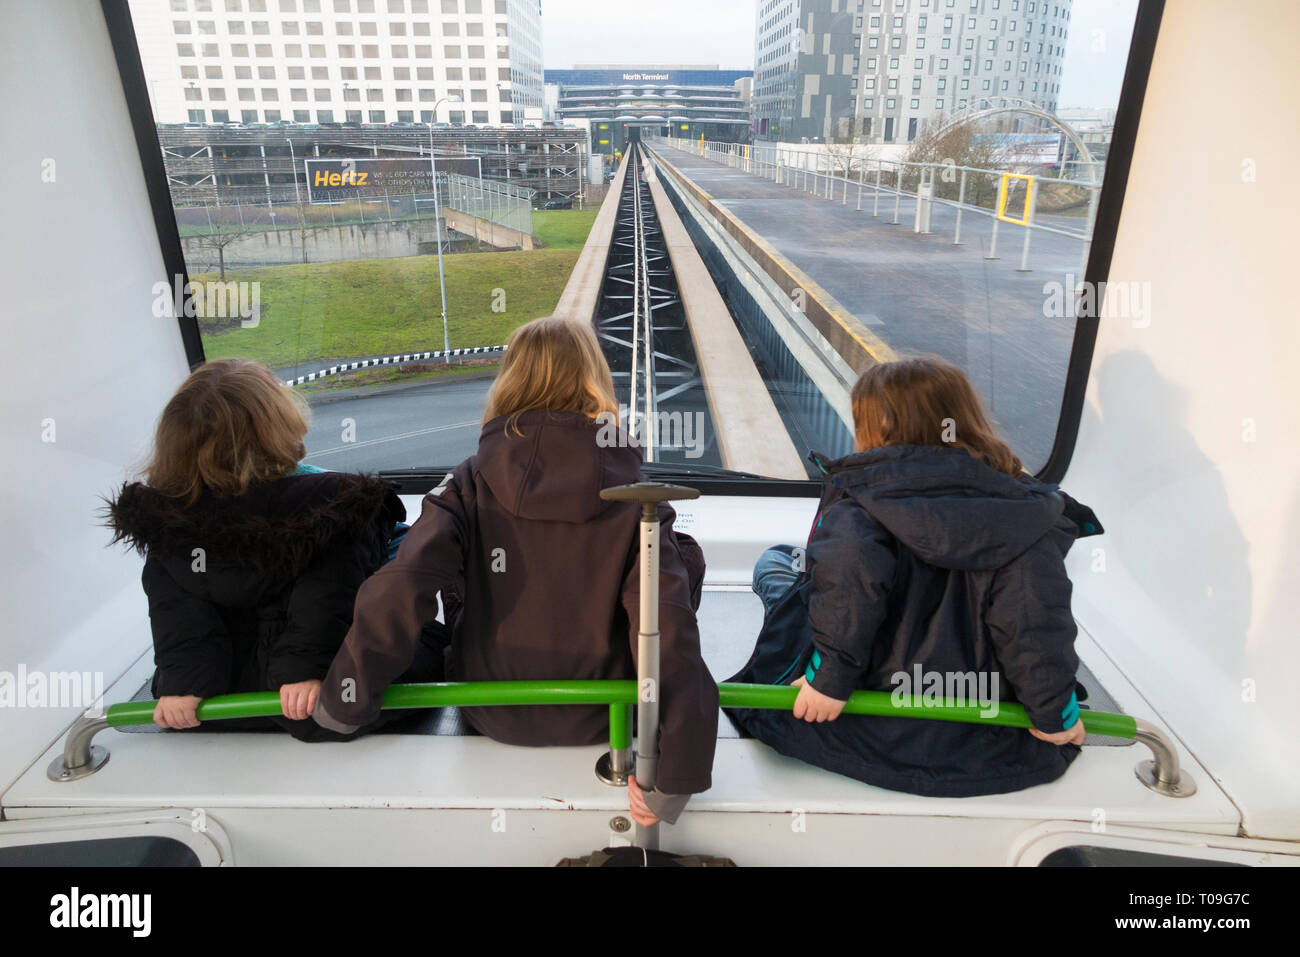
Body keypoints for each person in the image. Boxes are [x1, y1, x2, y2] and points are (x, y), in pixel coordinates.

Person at [311, 316, 718, 826]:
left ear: (509, 379)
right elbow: (667, 625)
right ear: (594, 379)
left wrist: (344, 699)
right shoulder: (634, 491)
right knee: (675, 554)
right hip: (604, 715)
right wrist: (674, 777)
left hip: (490, 707)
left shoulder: (467, 481)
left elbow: (407, 578)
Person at [727, 355, 1103, 797]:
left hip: (867, 724)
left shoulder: (861, 506)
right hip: (981, 737)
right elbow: (1033, 625)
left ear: (875, 429)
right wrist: (1053, 714)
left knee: (777, 564)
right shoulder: (1028, 512)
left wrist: (826, 682)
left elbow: (847, 597)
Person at [105, 359, 436, 740]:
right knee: (429, 641)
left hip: (223, 705)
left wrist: (183, 685)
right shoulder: (336, 502)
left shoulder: (165, 520)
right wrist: (305, 673)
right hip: (316, 700)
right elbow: (329, 592)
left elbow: (174, 609)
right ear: (279, 423)